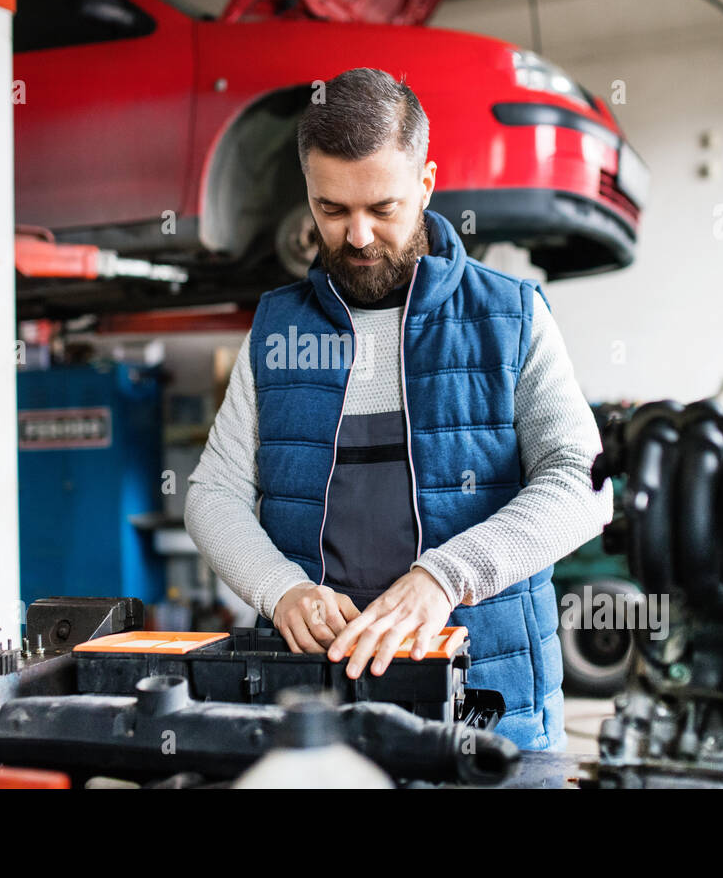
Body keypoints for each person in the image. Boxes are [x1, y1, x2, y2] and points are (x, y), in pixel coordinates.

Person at [185, 67, 613, 751]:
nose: (357, 236)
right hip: (319, 704)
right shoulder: (277, 332)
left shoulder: (512, 315)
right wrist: (281, 591)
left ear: (426, 186)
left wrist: (444, 578)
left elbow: (582, 485)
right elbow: (212, 494)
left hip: (493, 708)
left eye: (382, 209)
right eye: (332, 210)